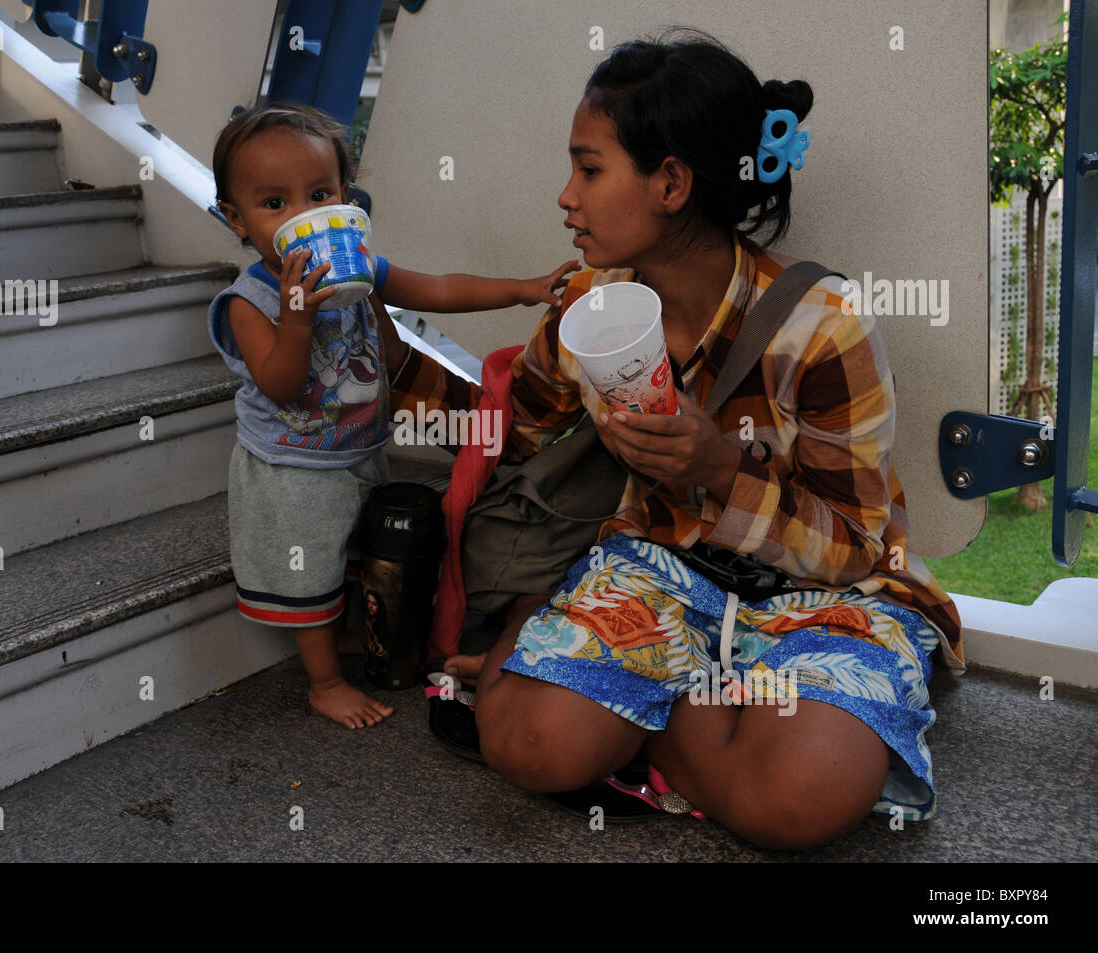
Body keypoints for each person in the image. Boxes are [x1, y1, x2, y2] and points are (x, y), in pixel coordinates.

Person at [392, 30, 966, 849]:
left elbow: (855, 549)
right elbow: (510, 428)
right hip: (660, 569)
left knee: (802, 799)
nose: (566, 196)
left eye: (589, 169)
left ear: (671, 183)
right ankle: (700, 713)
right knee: (522, 738)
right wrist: (388, 357)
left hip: (827, 597)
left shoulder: (825, 328)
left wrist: (722, 468)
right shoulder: (591, 307)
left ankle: (647, 712)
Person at [206, 103, 577, 730]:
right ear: (237, 220)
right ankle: (324, 682)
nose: (304, 216)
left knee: (355, 549)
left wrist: (519, 288)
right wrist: (297, 320)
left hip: (357, 446)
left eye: (320, 193)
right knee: (310, 565)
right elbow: (281, 383)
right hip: (292, 467)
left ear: (346, 198)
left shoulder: (355, 264)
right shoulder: (250, 303)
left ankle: (346, 636)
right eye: (275, 204)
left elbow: (435, 289)